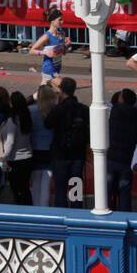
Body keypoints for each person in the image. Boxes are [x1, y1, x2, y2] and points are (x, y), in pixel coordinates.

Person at [44, 76, 88, 209]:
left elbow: (48, 124)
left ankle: (61, 214)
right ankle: (76, 212)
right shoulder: (83, 109)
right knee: (75, 188)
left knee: (60, 190)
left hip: (60, 154)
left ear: (61, 90)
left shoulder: (59, 109)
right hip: (78, 155)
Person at [27, 84, 56, 206]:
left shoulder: (31, 110)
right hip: (50, 150)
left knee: (36, 183)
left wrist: (30, 98)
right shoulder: (55, 111)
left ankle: (35, 210)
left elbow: (18, 105)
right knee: (46, 184)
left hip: (35, 149)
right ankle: (45, 209)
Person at [30, 8, 69, 90]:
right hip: (49, 70)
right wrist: (45, 53)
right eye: (60, 20)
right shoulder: (46, 37)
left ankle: (22, 102)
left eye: (62, 19)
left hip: (57, 68)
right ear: (52, 21)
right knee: (64, 90)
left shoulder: (62, 34)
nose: (62, 22)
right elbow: (32, 51)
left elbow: (64, 52)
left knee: (41, 95)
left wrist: (66, 45)